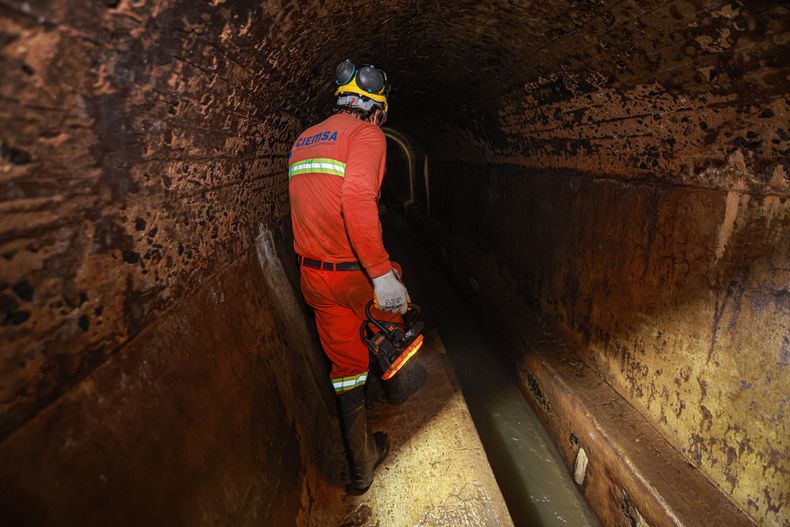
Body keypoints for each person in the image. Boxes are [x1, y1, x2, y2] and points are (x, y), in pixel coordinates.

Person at [287, 59, 409, 494]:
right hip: (354, 272)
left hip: (314, 278)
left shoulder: (303, 139)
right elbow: (357, 199)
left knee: (345, 370)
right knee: (394, 323)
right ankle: (399, 395)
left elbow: (309, 207)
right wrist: (381, 275)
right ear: (377, 109)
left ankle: (361, 465)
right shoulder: (368, 134)